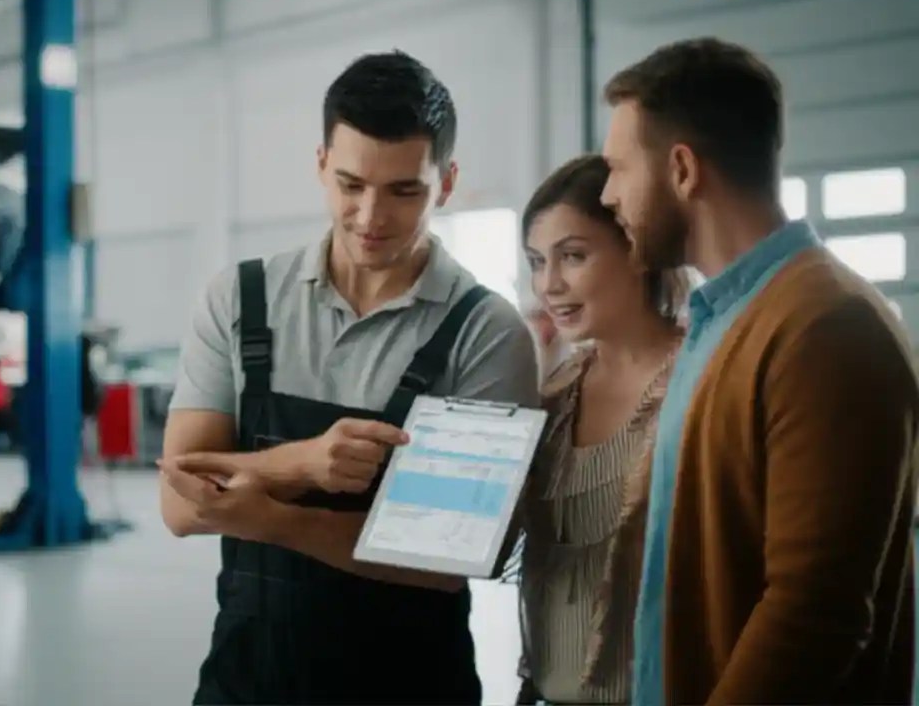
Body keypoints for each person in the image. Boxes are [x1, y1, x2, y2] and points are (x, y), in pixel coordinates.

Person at [157, 50, 540, 705]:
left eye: (404, 191)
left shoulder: (485, 333)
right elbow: (179, 502)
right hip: (245, 684)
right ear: (320, 165)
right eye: (351, 184)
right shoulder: (241, 300)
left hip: (411, 688)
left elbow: (456, 558)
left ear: (446, 182)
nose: (370, 217)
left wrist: (275, 518)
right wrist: (304, 463)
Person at [599, 37, 918, 705]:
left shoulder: (827, 326)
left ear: (682, 169)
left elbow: (814, 614)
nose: (607, 195)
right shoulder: (718, 320)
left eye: (619, 170)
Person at [510, 154, 686, 704]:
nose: (549, 284)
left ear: (636, 248)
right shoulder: (555, 395)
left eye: (573, 256)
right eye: (537, 261)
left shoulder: (702, 382)